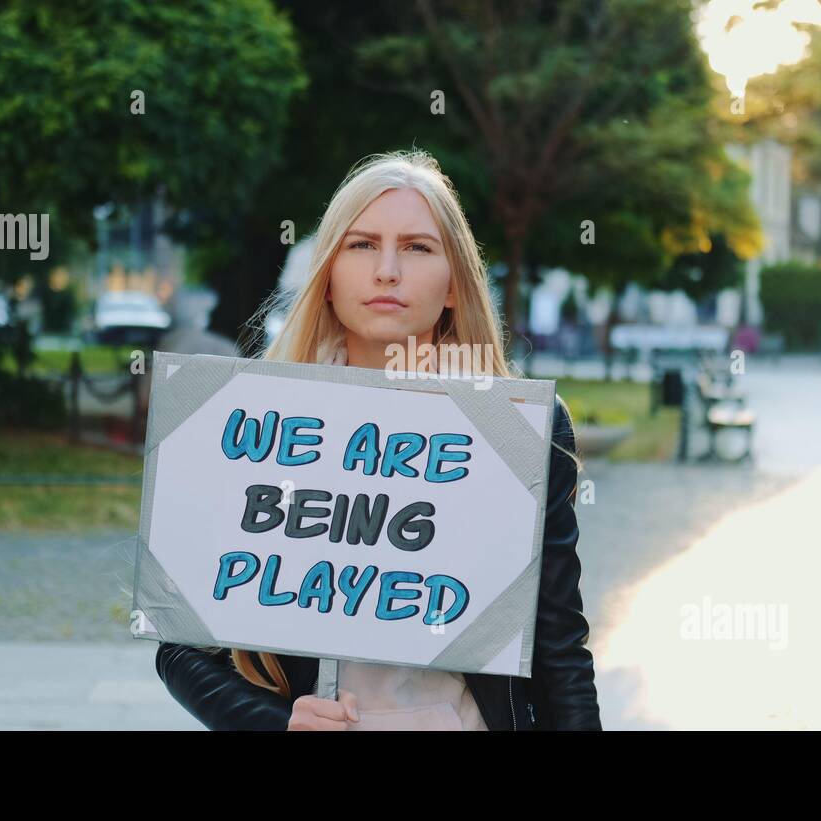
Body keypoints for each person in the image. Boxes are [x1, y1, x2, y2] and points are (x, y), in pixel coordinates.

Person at [154, 150, 601, 731]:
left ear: (452, 285)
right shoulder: (250, 421)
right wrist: (276, 721)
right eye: (362, 245)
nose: (387, 270)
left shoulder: (519, 432)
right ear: (329, 275)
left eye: (417, 247)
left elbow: (560, 644)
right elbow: (181, 646)